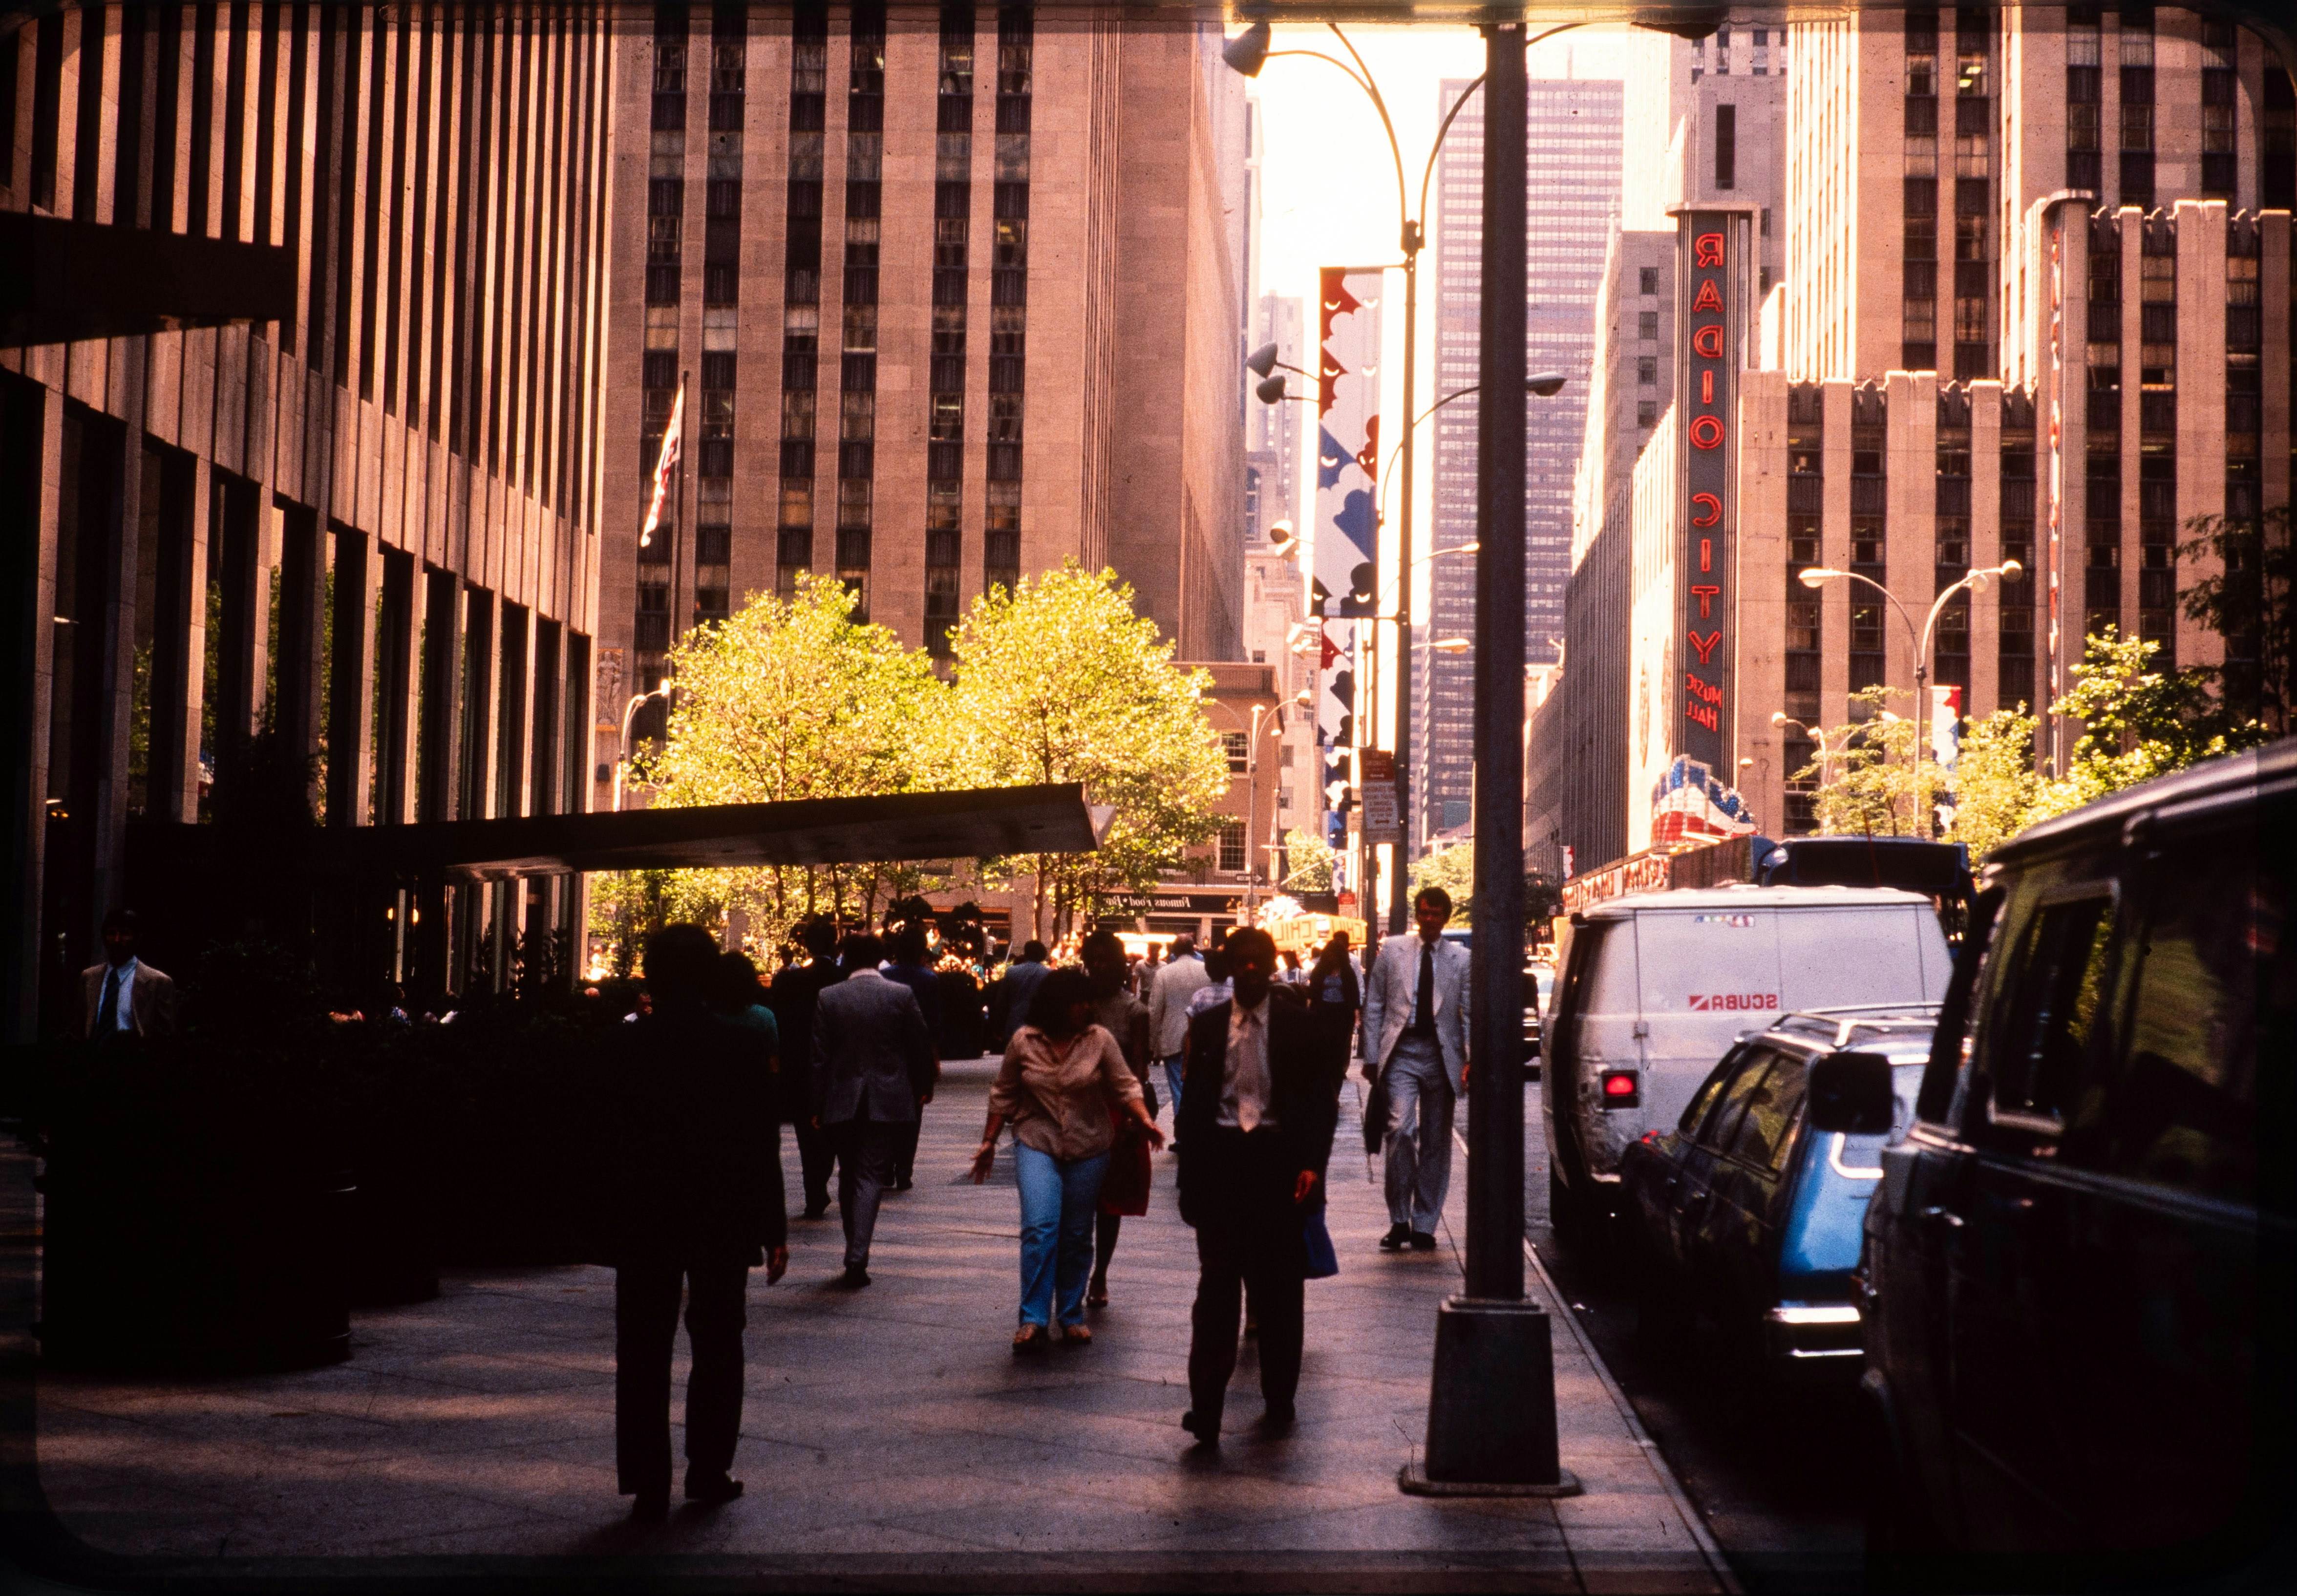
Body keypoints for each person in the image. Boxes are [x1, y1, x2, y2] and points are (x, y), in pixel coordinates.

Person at [607, 924, 788, 1523]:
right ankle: (708, 1469)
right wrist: (772, 1226)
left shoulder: (626, 1047)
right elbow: (760, 1143)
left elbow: (600, 1140)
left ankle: (647, 1482)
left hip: (646, 1213)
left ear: (650, 975)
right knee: (717, 1342)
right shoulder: (736, 1048)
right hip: (720, 1211)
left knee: (641, 1347)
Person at [1173, 928, 1339, 1446]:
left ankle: (1279, 1396)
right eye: (1239, 961)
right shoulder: (1205, 1027)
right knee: (1216, 1291)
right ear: (1228, 965)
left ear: (1270, 966)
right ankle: (1206, 1408)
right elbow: (1193, 1109)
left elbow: (1320, 1103)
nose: (1248, 970)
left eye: (1257, 962)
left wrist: (1313, 1165)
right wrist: (1191, 1179)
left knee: (1279, 1290)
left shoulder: (1300, 1026)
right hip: (1223, 1163)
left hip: (1277, 1164)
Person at [972, 968, 1162, 1351]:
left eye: (1087, 1001)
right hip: (1036, 1141)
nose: (1087, 1008)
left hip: (1090, 1145)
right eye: (1079, 1001)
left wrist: (1144, 1118)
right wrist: (989, 1141)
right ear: (1058, 1005)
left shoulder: (1099, 1040)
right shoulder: (1024, 1041)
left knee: (1077, 1233)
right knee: (1040, 1227)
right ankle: (1033, 1318)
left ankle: (1071, 1314)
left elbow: (1126, 1084)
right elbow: (1004, 1093)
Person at [810, 934, 936, 1287]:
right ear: (882, 957)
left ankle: (855, 1248)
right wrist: (923, 1086)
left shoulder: (829, 997)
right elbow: (919, 1043)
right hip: (886, 1096)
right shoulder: (900, 995)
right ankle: (856, 1255)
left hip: (842, 1097)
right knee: (868, 1175)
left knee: (850, 1172)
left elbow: (819, 1058)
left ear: (846, 959)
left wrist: (816, 1103)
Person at [1359, 888, 1471, 1253]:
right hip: (1402, 1052)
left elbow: (1468, 1013)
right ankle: (1398, 1220)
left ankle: (1425, 1223)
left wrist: (1470, 1058)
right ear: (1417, 913)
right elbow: (1374, 1003)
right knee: (1401, 1129)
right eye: (1424, 912)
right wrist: (1372, 1057)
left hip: (1441, 1055)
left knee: (1437, 1141)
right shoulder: (1393, 950)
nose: (1429, 919)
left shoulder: (1461, 960)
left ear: (1446, 917)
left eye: (1437, 913)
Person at [1078, 931, 1153, 1309]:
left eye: (1106, 959)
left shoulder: (1134, 1011)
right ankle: (1076, 1271)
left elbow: (1138, 1069)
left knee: (1109, 1202)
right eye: (1093, 959)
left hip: (1116, 1110)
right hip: (1078, 1107)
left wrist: (1132, 1118)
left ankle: (1100, 1273)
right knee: (1076, 1199)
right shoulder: (1076, 1005)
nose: (1099, 966)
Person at [767, 919, 844, 1219]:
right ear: (835, 943)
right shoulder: (843, 977)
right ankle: (818, 1182)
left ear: (806, 946)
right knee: (833, 1129)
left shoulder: (789, 981)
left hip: (800, 1065)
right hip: (837, 1065)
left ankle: (814, 1188)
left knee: (804, 1130)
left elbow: (781, 1024)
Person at [880, 924, 944, 1193]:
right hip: (918, 1054)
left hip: (888, 1051)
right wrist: (935, 1058)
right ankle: (904, 1169)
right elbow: (935, 1024)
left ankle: (885, 1168)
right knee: (913, 1113)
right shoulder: (930, 979)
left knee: (885, 1111)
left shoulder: (885, 976)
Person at [81, 909, 177, 1043]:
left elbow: (166, 1035)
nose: (117, 940)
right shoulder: (89, 978)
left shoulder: (158, 982)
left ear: (138, 939)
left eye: (125, 934)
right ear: (103, 939)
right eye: (111, 933)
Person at [1147, 935, 1208, 1133]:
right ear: (1193, 949)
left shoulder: (1164, 974)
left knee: (1177, 1088)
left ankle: (1182, 1133)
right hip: (1202, 1039)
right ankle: (1198, 1129)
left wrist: (1152, 1043)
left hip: (1172, 1038)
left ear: (1174, 951)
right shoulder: (1206, 971)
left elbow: (1155, 1010)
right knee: (1200, 1087)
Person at [1305, 932, 1362, 1077]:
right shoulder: (1320, 970)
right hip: (1323, 1011)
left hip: (1342, 1013)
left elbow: (1353, 991)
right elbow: (1313, 992)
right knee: (1324, 1041)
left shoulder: (1347, 971)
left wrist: (1357, 1014)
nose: (1332, 959)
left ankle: (1338, 1069)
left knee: (1341, 1043)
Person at [984, 940, 1052, 1052]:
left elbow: (1002, 1001)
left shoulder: (1012, 972)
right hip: (1039, 1023)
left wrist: (998, 1026)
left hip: (1015, 1021)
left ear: (1026, 953)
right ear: (1043, 955)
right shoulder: (1047, 974)